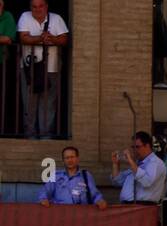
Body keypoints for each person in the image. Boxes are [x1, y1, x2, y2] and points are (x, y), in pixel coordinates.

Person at [16, 0, 68, 139]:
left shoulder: (56, 18)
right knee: (29, 103)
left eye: (40, 6)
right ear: (30, 7)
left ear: (46, 6)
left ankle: (46, 135)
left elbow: (64, 40)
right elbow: (23, 38)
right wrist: (41, 38)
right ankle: (30, 135)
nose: (37, 9)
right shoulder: (25, 16)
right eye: (34, 6)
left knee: (48, 103)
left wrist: (51, 38)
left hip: (52, 68)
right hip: (29, 68)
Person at [38, 145, 106, 208]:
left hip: (80, 215)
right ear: (63, 160)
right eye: (67, 158)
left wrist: (100, 201)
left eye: (72, 157)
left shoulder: (86, 175)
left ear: (77, 159)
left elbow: (95, 195)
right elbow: (45, 191)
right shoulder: (55, 175)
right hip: (61, 214)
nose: (70, 160)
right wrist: (43, 199)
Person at [111, 131, 166, 204]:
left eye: (137, 147)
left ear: (147, 146)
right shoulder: (137, 164)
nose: (134, 150)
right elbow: (117, 181)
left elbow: (147, 181)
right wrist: (115, 164)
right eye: (133, 147)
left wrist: (130, 161)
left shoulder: (155, 162)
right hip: (129, 206)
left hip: (144, 206)